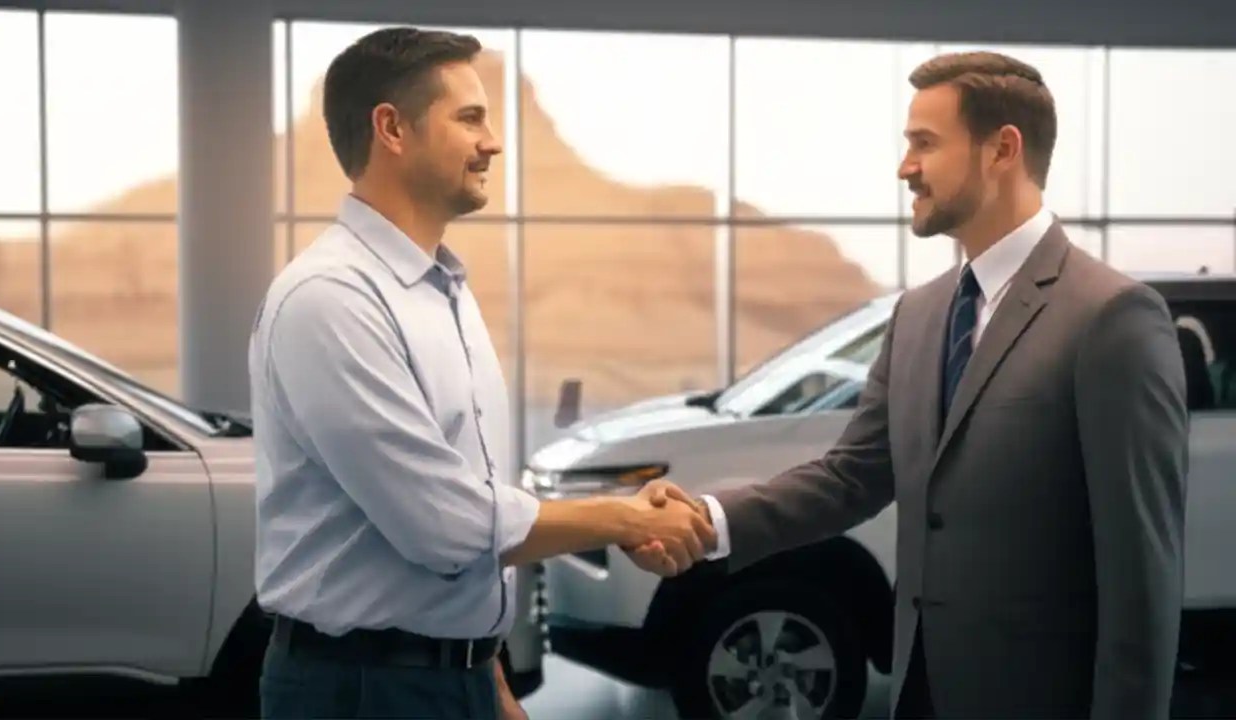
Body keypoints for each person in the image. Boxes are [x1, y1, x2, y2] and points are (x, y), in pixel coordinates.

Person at [635, 51, 1188, 719]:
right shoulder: (920, 314)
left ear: (1001, 150)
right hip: (921, 694)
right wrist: (708, 521)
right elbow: (851, 476)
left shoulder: (1112, 318)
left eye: (924, 144)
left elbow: (1142, 581)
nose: (905, 167)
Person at [247, 27, 715, 720]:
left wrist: (484, 666)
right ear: (391, 129)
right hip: (362, 692)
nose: (493, 141)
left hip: (444, 677)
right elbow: (443, 525)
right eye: (469, 118)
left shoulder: (443, 290)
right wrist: (619, 517)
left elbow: (471, 500)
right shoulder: (331, 298)